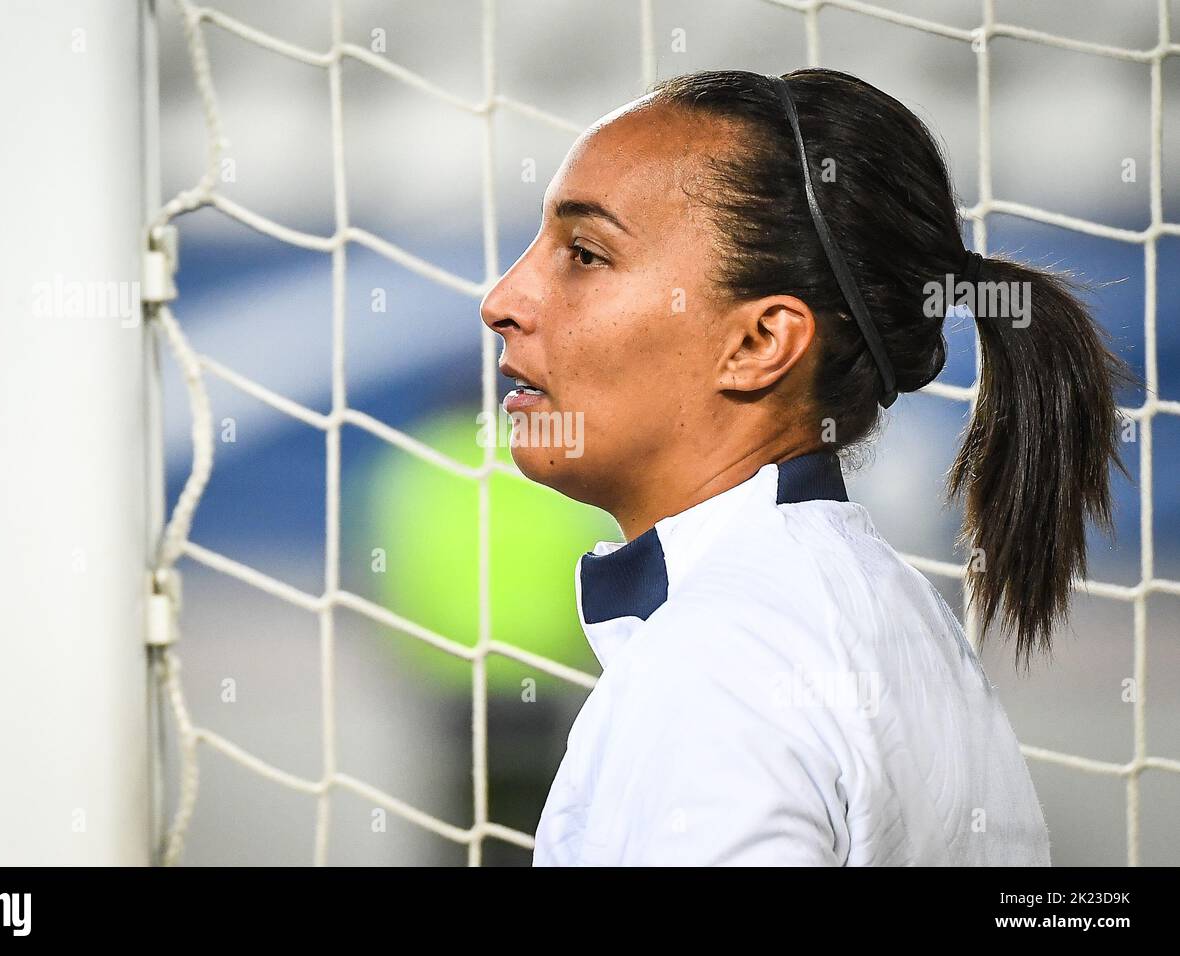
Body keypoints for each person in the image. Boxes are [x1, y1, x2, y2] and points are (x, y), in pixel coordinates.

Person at [478, 68, 1134, 865]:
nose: (503, 299)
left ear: (760, 344)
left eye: (584, 253)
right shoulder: (869, 614)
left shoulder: (724, 665)